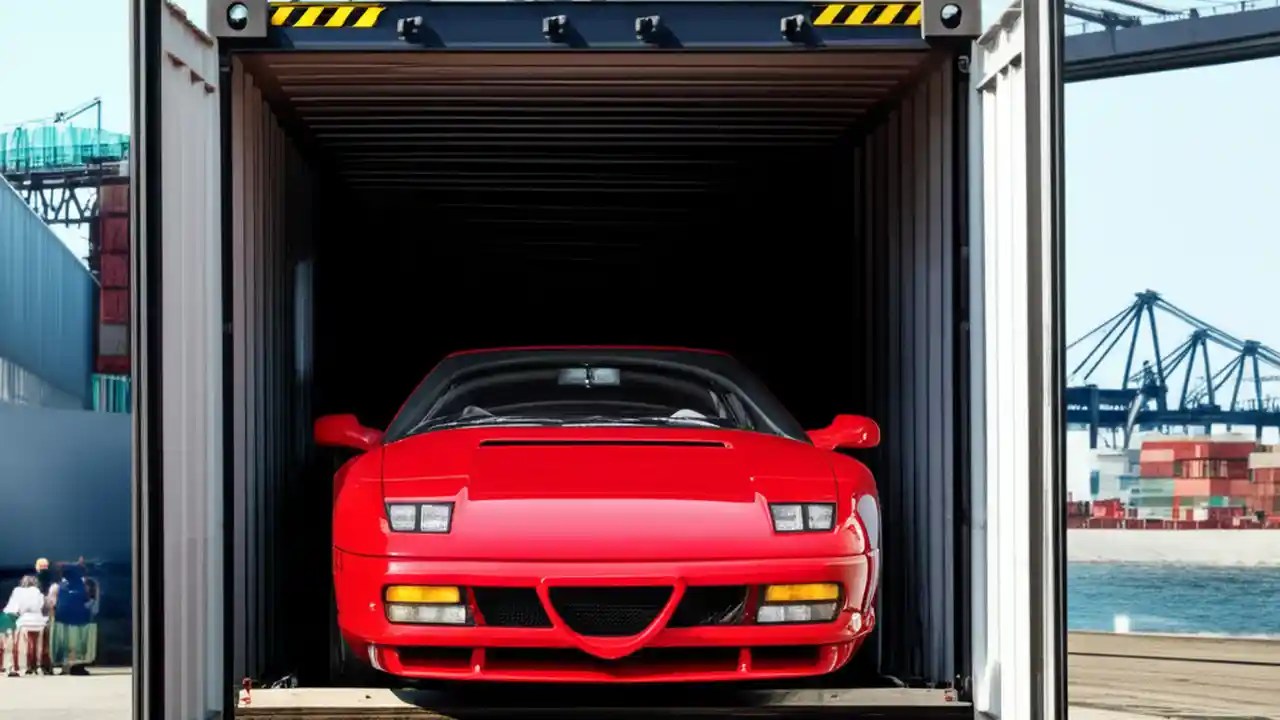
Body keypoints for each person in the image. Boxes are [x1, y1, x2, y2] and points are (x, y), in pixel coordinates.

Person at [50, 563, 94, 675]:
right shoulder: (83, 586)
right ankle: (78, 666)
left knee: (65, 644)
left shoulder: (58, 586)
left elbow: (53, 603)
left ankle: (65, 667)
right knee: (79, 643)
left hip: (63, 620)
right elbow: (88, 601)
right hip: (80, 620)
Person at [3, 576, 49, 675]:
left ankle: (17, 666)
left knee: (13, 639)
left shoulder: (17, 591)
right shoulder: (38, 593)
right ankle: (39, 665)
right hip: (39, 622)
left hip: (24, 621)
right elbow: (43, 608)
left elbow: (13, 609)